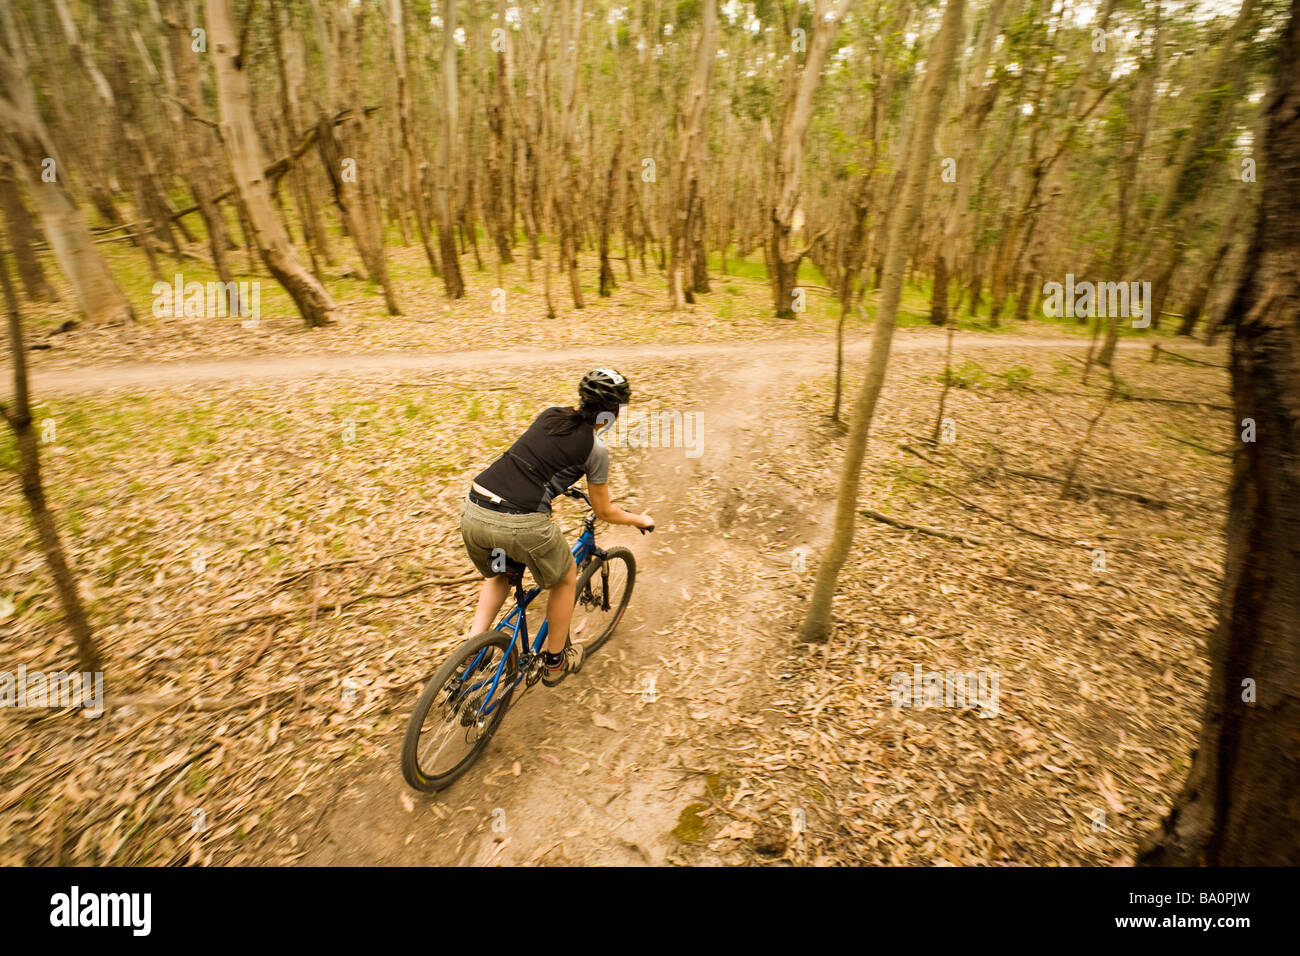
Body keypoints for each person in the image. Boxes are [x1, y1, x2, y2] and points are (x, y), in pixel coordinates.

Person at [460, 368, 655, 685]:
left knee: (500, 573)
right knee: (565, 579)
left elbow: (534, 459)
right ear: (612, 413)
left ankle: (472, 647)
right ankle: (554, 661)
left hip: (474, 511)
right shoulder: (595, 448)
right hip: (520, 523)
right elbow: (603, 511)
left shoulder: (550, 415)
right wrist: (638, 519)